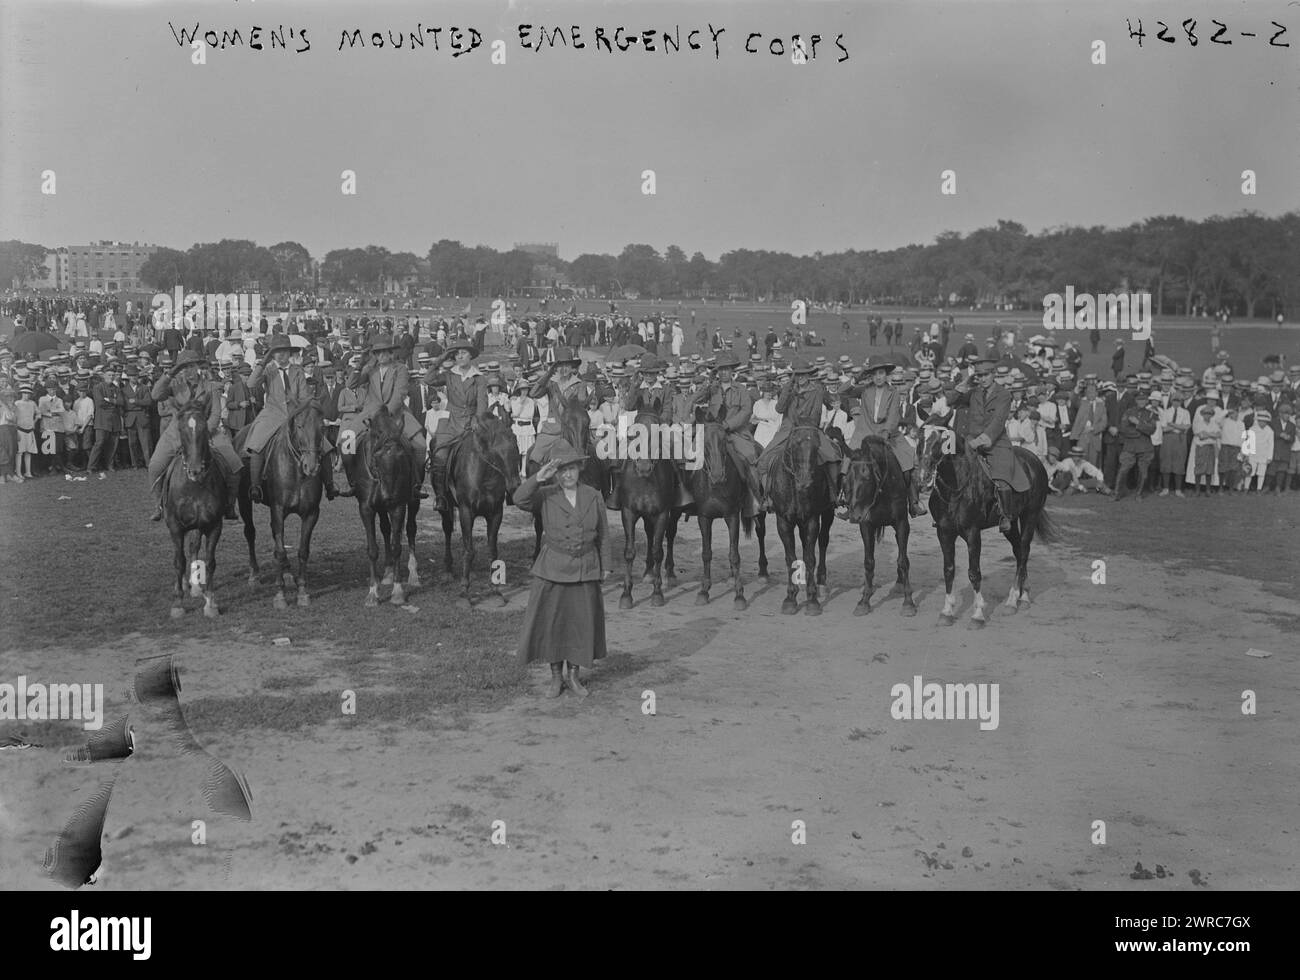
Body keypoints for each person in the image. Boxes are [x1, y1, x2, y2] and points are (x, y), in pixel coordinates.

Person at [514, 446, 610, 699]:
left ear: (579, 469)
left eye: (571, 469)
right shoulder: (545, 495)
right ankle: (556, 676)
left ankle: (574, 676)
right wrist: (538, 478)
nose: (567, 475)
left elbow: (604, 533)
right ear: (555, 473)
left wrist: (606, 564)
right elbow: (518, 499)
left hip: (585, 568)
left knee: (580, 624)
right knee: (553, 624)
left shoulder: (593, 495)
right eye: (562, 470)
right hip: (553, 568)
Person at [147, 350, 243, 520]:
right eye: (183, 368)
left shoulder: (210, 385)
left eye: (191, 367)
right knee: (155, 465)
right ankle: (159, 505)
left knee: (234, 464)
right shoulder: (175, 383)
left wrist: (203, 432)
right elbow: (155, 395)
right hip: (177, 432)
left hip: (206, 431)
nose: (188, 371)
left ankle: (229, 504)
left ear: (198, 367)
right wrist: (169, 374)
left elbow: (215, 413)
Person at [244, 334, 340, 502]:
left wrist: (296, 404)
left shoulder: (297, 371)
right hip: (272, 414)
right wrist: (263, 361)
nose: (281, 355)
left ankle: (330, 484)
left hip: (296, 413)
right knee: (257, 443)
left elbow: (305, 397)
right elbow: (251, 384)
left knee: (323, 444)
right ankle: (255, 486)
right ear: (272, 354)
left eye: (285, 352)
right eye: (277, 352)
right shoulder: (268, 369)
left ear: (290, 353)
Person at [838, 357, 926, 516]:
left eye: (881, 373)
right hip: (864, 433)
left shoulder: (894, 393)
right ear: (870, 375)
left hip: (888, 434)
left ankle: (913, 502)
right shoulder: (864, 389)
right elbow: (842, 391)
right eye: (875, 374)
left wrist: (885, 433)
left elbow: (893, 417)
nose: (878, 377)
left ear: (886, 375)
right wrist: (859, 376)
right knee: (847, 463)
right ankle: (847, 501)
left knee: (908, 461)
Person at [347, 334, 428, 501]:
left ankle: (416, 484)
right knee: (345, 441)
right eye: (378, 353)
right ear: (374, 355)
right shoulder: (370, 369)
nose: (382, 356)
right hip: (370, 413)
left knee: (420, 444)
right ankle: (353, 482)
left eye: (385, 352)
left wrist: (385, 416)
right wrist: (360, 364)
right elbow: (351, 385)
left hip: (396, 413)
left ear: (392, 353)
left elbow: (399, 394)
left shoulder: (401, 369)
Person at [756, 358, 842, 511]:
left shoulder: (816, 390)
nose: (801, 377)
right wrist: (788, 387)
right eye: (798, 374)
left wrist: (805, 428)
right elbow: (779, 409)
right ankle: (768, 496)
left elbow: (816, 415)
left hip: (810, 430)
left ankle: (832, 494)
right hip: (787, 431)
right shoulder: (788, 390)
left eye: (804, 374)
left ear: (809, 375)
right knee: (764, 459)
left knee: (833, 457)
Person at [947, 357, 1017, 530]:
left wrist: (979, 441)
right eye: (979, 375)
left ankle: (1005, 516)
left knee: (1001, 476)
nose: (983, 378)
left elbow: (998, 423)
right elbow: (951, 401)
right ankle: (950, 512)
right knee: (953, 471)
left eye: (986, 375)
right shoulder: (974, 392)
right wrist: (965, 383)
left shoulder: (1004, 395)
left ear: (993, 374)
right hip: (970, 440)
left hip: (996, 442)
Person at [691, 352, 764, 507]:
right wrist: (706, 385)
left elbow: (746, 411)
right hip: (712, 433)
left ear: (732, 371)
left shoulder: (741, 390)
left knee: (750, 456)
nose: (723, 372)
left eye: (727, 369)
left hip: (735, 433)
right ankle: (690, 497)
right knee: (689, 455)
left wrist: (728, 424)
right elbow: (694, 400)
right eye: (720, 370)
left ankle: (755, 497)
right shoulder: (711, 389)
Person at [423, 339, 487, 510]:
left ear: (471, 356)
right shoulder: (449, 375)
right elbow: (428, 379)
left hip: (472, 422)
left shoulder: (479, 378)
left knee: (494, 450)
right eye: (457, 353)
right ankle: (441, 497)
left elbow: (482, 405)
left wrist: (476, 420)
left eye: (464, 353)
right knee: (440, 455)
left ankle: (500, 489)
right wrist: (441, 359)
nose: (460, 356)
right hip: (450, 422)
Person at [1113, 389, 1159, 502]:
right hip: (1130, 446)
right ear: (1136, 400)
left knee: (1143, 473)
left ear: (1147, 401)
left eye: (1143, 399)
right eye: (1139, 399)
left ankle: (1139, 493)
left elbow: (1152, 430)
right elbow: (1123, 428)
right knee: (1123, 470)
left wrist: (1138, 423)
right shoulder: (1128, 412)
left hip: (1145, 447)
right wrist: (1139, 432)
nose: (1141, 402)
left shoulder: (1152, 414)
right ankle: (1117, 493)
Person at [1156, 391, 1190, 496]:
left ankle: (1178, 490)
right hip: (1168, 439)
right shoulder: (1166, 412)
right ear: (1171, 401)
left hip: (1180, 439)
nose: (1176, 403)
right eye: (1174, 400)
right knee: (1166, 461)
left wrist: (1172, 424)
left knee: (1179, 462)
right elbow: (1164, 428)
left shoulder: (1185, 412)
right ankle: (1165, 488)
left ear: (1181, 402)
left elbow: (1186, 428)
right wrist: (1178, 426)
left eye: (1178, 401)